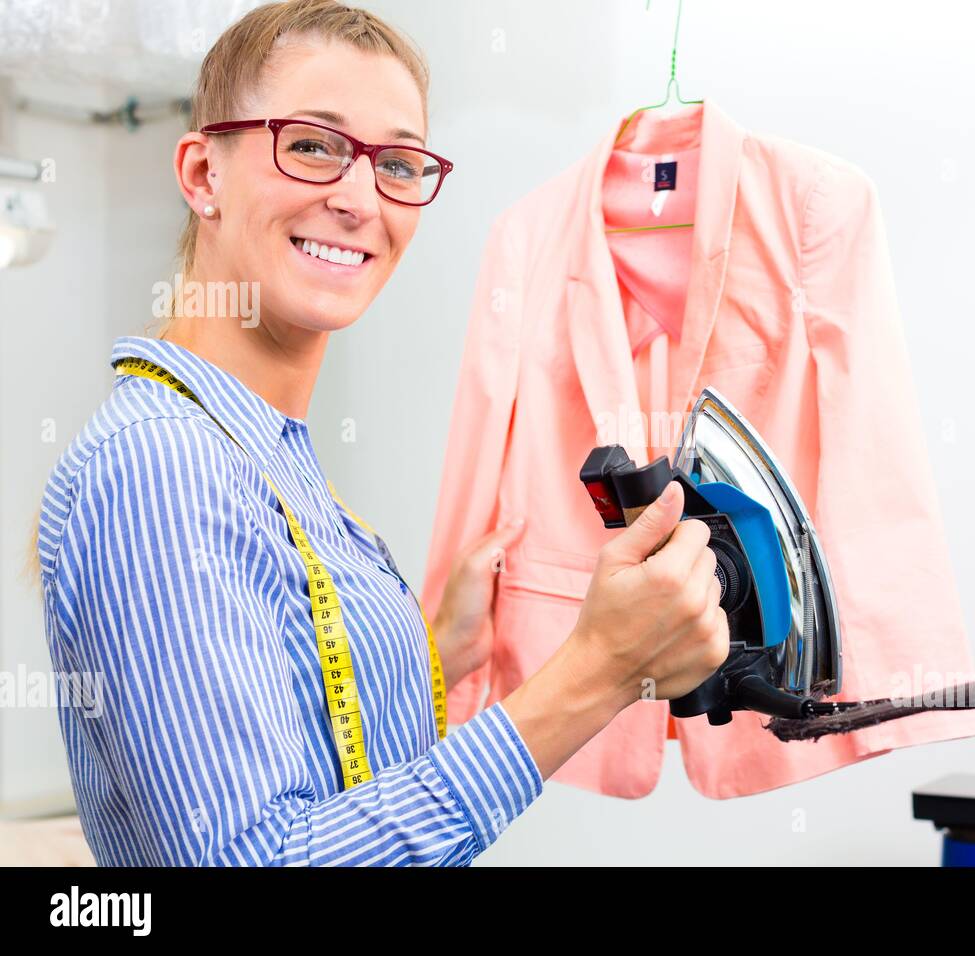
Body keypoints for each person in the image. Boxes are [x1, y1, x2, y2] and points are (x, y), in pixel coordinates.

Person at [34, 0, 728, 866]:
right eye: (314, 145)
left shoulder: (263, 460)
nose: (360, 198)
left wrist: (430, 648)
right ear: (203, 174)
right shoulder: (160, 466)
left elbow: (302, 762)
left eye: (397, 162)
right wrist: (595, 672)